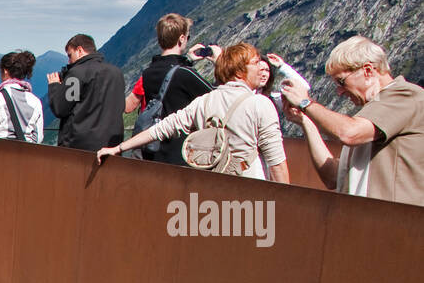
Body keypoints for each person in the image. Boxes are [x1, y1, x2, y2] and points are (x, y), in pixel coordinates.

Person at [96, 43, 289, 183]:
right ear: (239, 72)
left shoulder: (205, 102)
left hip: (210, 189)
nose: (262, 68)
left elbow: (161, 129)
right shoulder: (260, 104)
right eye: (256, 64)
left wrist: (119, 148)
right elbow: (277, 164)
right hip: (250, 191)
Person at [281, 35, 424, 206]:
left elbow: (348, 133)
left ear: (368, 71)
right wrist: (305, 122)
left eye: (341, 81)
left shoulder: (405, 96)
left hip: (396, 225)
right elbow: (332, 177)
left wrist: (306, 103)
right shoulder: (370, 119)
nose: (339, 91)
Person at [130, 13, 218, 165]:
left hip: (153, 149)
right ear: (182, 39)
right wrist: (219, 64)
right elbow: (218, 96)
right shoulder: (185, 74)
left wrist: (187, 61)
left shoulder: (149, 72)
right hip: (180, 152)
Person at [47, 34, 125, 151]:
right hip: (111, 145)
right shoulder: (116, 73)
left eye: (70, 55)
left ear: (79, 50)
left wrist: (54, 86)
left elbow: (61, 108)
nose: (69, 61)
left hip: (79, 146)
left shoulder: (76, 74)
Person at [0, 51, 45, 142]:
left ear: (5, 70)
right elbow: (38, 138)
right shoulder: (35, 102)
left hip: (0, 153)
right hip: (26, 154)